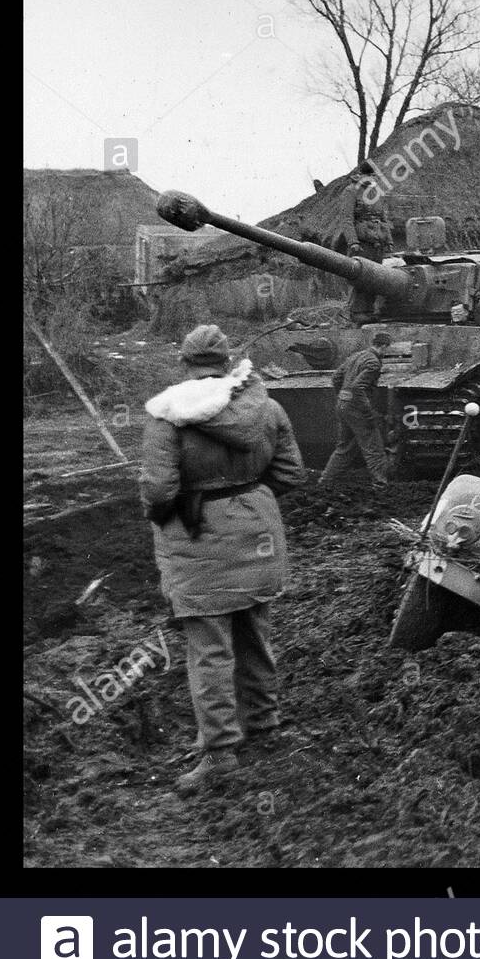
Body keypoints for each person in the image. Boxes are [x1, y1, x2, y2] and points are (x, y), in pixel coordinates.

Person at [140, 325, 307, 796]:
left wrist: (182, 514)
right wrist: (246, 501)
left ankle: (220, 752)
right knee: (256, 632)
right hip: (258, 532)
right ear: (227, 359)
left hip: (197, 541)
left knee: (210, 648)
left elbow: (158, 491)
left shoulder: (167, 415)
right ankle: (265, 725)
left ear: (185, 362)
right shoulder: (265, 406)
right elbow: (291, 472)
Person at [319, 332, 393, 488]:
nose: (386, 352)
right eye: (387, 348)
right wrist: (367, 412)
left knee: (344, 448)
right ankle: (380, 485)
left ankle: (325, 482)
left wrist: (343, 396)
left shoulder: (356, 356)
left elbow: (336, 378)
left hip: (343, 404)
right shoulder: (373, 362)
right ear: (383, 346)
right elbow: (358, 387)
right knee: (374, 447)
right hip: (357, 408)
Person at [339, 161, 394, 321]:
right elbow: (346, 219)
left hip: (378, 242)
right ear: (360, 175)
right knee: (360, 276)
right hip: (361, 243)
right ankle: (356, 313)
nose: (370, 179)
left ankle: (369, 311)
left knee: (376, 278)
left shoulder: (377, 193)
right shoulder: (350, 192)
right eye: (368, 176)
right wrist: (352, 242)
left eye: (373, 176)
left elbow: (384, 218)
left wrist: (389, 240)